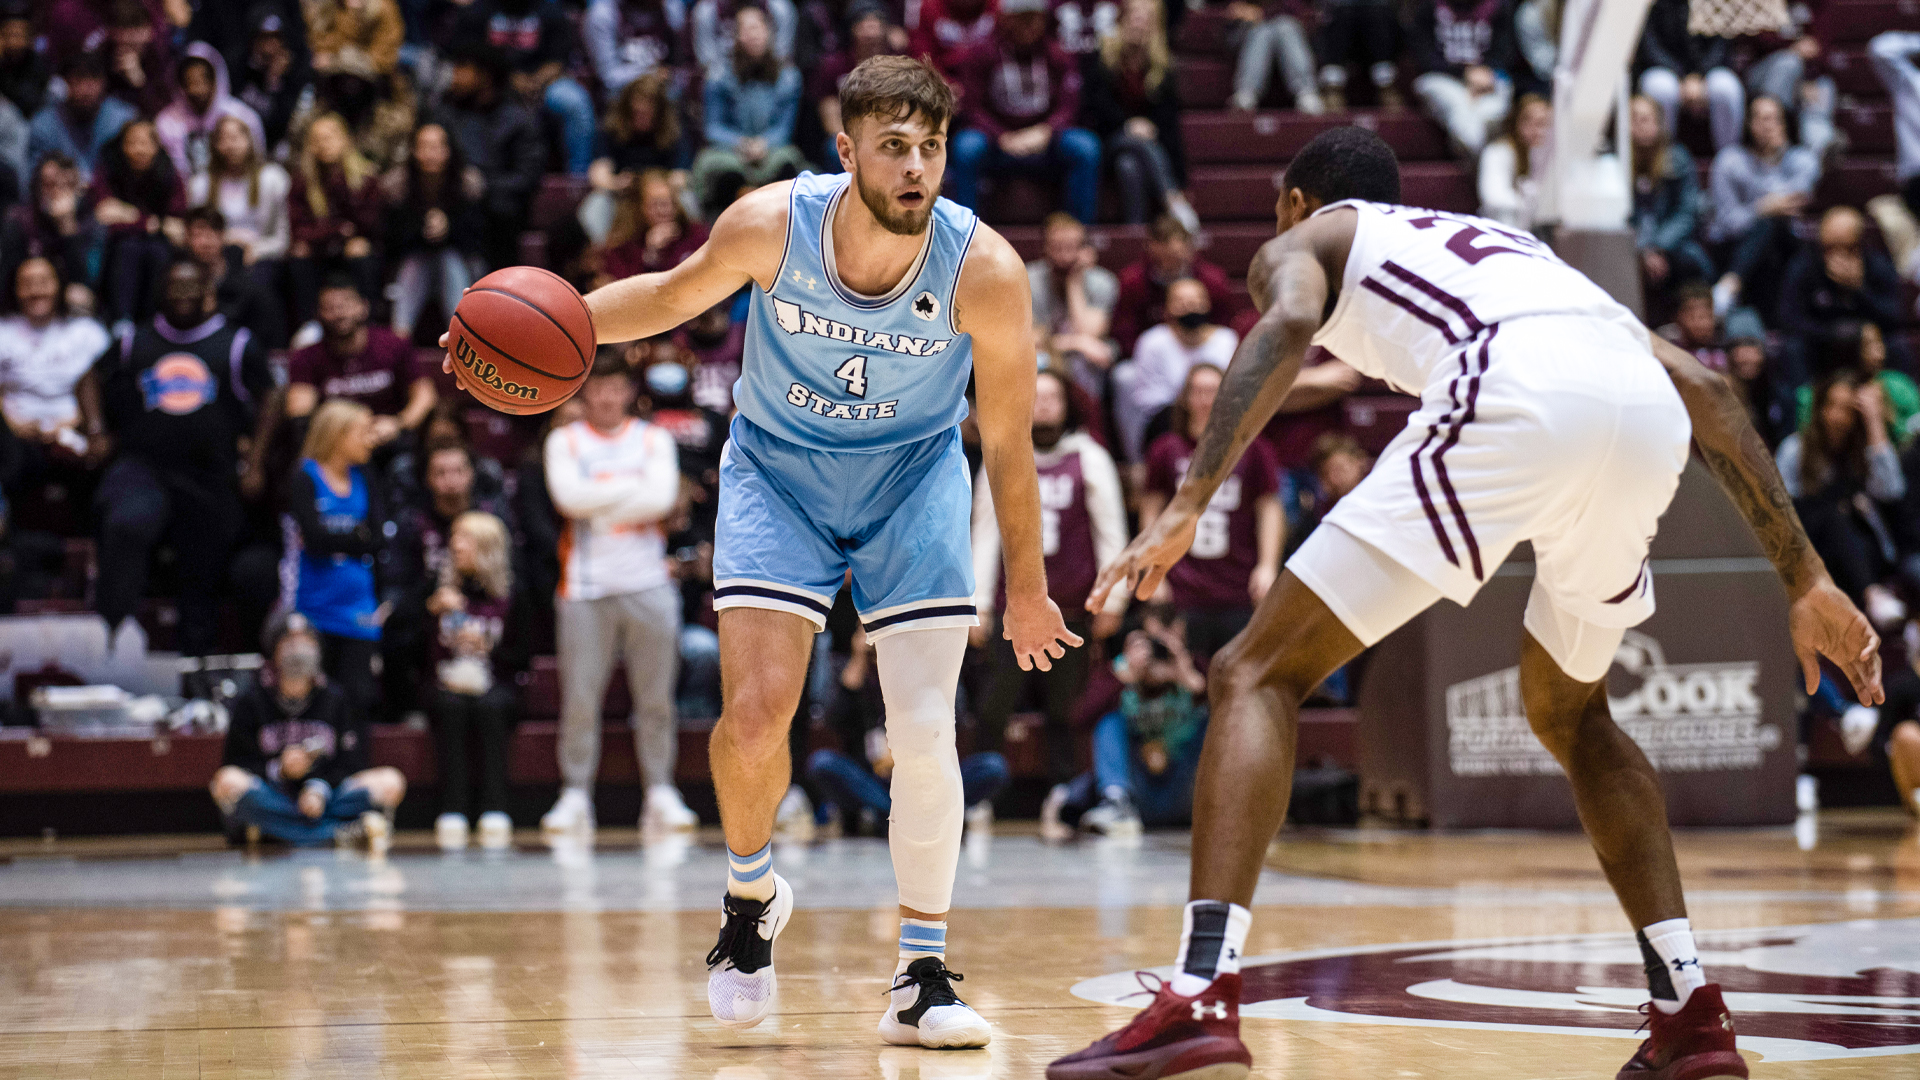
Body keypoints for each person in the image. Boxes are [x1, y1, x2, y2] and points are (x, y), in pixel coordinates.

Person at [1049, 125, 1882, 1080]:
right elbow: (1710, 392)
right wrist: (1807, 579)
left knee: (1254, 672)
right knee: (1573, 711)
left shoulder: (1309, 237)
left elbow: (1281, 328)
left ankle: (1199, 994)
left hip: (1513, 385)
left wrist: (1191, 501)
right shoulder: (1515, 250)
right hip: (1640, 412)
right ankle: (1690, 1010)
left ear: (1292, 202)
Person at [438, 54, 1080, 1045]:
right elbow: (664, 296)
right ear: (847, 150)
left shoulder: (985, 272)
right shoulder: (772, 223)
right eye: (894, 147)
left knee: (920, 732)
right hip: (777, 476)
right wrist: (514, 337)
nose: (916, 168)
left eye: (932, 148)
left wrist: (1029, 589)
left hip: (912, 484)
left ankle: (920, 974)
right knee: (752, 718)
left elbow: (1007, 441)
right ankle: (750, 904)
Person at [538, 352, 695, 836]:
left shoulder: (653, 439)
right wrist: (631, 494)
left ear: (629, 392)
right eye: (596, 388)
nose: (605, 397)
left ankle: (661, 791)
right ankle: (575, 794)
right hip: (585, 586)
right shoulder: (564, 441)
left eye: (614, 388)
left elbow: (663, 497)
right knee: (580, 699)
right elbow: (567, 500)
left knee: (656, 699)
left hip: (649, 583)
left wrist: (598, 502)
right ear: (584, 393)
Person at [88, 257, 275, 657]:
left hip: (209, 475)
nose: (183, 295)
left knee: (202, 572)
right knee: (127, 522)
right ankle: (110, 631)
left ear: (208, 293)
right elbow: (89, 377)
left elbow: (272, 397)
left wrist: (255, 462)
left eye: (192, 287)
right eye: (175, 287)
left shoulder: (237, 343)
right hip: (144, 466)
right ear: (161, 292)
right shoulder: (132, 341)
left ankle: (196, 671)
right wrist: (96, 430)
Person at [972, 368, 1127, 778]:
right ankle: (980, 797)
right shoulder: (1004, 454)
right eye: (1036, 395)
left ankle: (1065, 794)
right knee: (994, 707)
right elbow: (984, 534)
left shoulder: (1089, 457)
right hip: (1012, 611)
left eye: (1053, 397)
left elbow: (1110, 533)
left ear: (1067, 405)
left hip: (1072, 608)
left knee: (1067, 712)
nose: (1044, 404)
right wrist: (979, 605)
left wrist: (1114, 599)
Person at [211, 610, 404, 848]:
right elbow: (237, 762)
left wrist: (317, 788)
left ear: (318, 648)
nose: (298, 649)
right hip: (274, 795)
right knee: (227, 782)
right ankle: (336, 834)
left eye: (306, 640)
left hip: (327, 797)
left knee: (390, 782)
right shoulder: (251, 701)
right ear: (274, 649)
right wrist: (280, 770)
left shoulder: (337, 698)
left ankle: (278, 831)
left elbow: (353, 764)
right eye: (290, 640)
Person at [806, 625, 1011, 835]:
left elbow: (955, 713)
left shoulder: (925, 668)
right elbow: (832, 719)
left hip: (925, 782)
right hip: (873, 780)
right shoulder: (851, 672)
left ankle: (896, 816)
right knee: (822, 763)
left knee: (993, 766)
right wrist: (858, 660)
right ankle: (909, 817)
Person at [1141, 363, 1283, 661]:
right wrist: (1154, 571)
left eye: (1213, 392)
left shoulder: (1254, 449)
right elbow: (1151, 512)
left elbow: (1269, 509)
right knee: (1185, 684)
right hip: (1182, 587)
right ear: (1185, 399)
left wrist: (1268, 565)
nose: (1206, 399)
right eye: (1198, 391)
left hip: (1238, 585)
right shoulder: (1165, 449)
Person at [1041, 619, 1208, 837]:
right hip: (1136, 786)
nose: (1156, 653)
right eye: (1149, 645)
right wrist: (1121, 676)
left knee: (1212, 720)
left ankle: (1221, 807)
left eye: (1164, 644)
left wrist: (1190, 679)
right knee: (1109, 720)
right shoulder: (1119, 673)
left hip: (1184, 784)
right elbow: (1079, 720)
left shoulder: (1192, 667)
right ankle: (1115, 802)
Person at [424, 509, 531, 850]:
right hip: (444, 683)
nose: (455, 545)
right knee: (450, 705)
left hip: (494, 682)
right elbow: (405, 648)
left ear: (487, 547)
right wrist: (427, 611)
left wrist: (489, 647)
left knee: (491, 705)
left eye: (464, 538)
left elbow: (524, 656)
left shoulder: (514, 594)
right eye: (453, 537)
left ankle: (495, 805)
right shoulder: (437, 589)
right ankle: (453, 806)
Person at [282, 398, 389, 720]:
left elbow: (378, 538)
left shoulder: (365, 476)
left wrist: (346, 540)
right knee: (313, 700)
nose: (371, 439)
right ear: (338, 435)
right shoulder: (305, 477)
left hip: (359, 609)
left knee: (358, 699)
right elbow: (313, 540)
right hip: (312, 606)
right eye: (363, 432)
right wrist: (357, 538)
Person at [946, 0, 1101, 224]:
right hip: (998, 141)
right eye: (1021, 17)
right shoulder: (982, 53)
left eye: (1034, 17)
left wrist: (1047, 130)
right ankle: (966, 232)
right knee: (966, 147)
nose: (1028, 25)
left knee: (1086, 147)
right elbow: (972, 107)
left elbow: (1069, 104)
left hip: (1045, 139)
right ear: (1005, 19)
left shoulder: (1057, 54)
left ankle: (1080, 230)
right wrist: (1001, 135)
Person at [1081, 0, 1197, 230]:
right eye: (1134, 17)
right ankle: (1171, 198)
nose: (1139, 24)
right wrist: (1128, 124)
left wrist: (1182, 177)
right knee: (1134, 140)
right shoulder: (1101, 58)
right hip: (1106, 141)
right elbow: (1094, 110)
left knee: (1129, 166)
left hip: (1145, 149)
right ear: (1122, 21)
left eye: (1146, 19)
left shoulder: (1162, 68)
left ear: (1155, 28)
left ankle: (1134, 229)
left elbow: (1169, 126)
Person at [285, 277, 436, 451]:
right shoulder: (305, 356)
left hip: (389, 438)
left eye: (345, 305)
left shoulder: (394, 344)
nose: (339, 314)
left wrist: (398, 423)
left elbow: (425, 396)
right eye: (330, 308)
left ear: (363, 307)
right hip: (335, 446)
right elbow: (299, 414)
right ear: (318, 314)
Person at [432, 42, 545, 273]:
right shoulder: (445, 112)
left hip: (497, 213)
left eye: (462, 69)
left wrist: (484, 185)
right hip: (453, 204)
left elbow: (527, 177)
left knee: (498, 212)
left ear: (485, 75)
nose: (454, 76)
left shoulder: (518, 119)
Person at [690, 5, 809, 219]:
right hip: (731, 151)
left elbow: (784, 128)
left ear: (769, 32)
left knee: (789, 164)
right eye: (746, 29)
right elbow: (713, 128)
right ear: (736, 36)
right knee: (718, 170)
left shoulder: (789, 77)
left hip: (771, 149)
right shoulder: (718, 76)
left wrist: (764, 144)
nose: (753, 35)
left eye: (758, 28)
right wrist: (742, 144)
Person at [1708, 95, 1820, 322]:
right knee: (1766, 224)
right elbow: (1726, 222)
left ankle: (1730, 286)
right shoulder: (1729, 161)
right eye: (1760, 119)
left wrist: (1774, 158)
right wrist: (1760, 209)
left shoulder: (1802, 160)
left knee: (1776, 227)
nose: (1767, 125)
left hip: (1785, 244)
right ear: (1748, 123)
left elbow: (1790, 206)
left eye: (1773, 119)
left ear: (1784, 124)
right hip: (1736, 243)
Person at [452, 0, 595, 176]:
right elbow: (469, 54)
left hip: (544, 83)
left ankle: (578, 180)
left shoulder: (549, 8)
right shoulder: (480, 9)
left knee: (574, 102)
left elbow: (559, 57)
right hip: (495, 81)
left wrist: (537, 80)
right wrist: (510, 78)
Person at [1113, 278, 1238, 461]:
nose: (1189, 308)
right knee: (1124, 378)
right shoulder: (1152, 342)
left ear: (1207, 304)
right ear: (1167, 308)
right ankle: (1140, 464)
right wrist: (1190, 405)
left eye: (1195, 302)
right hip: (1167, 420)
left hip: (1218, 414)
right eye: (1181, 302)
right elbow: (1149, 399)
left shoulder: (1227, 340)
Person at [1780, 206, 1906, 385]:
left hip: (1867, 338)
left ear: (1859, 244)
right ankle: (1802, 409)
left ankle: (1903, 407)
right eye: (1829, 248)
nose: (1837, 257)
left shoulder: (1876, 265)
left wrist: (1858, 290)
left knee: (1898, 345)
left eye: (1847, 247)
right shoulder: (1805, 266)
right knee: (1793, 349)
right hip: (1821, 339)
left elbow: (1894, 317)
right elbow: (1789, 319)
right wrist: (1831, 333)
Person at [0, 257, 111, 457]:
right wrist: (11, 425)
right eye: (27, 284)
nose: (36, 292)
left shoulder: (86, 332)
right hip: (13, 438)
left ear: (59, 285)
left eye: (43, 282)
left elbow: (104, 389)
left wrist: (76, 422)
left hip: (75, 433)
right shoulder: (3, 332)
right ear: (14, 289)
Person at [383, 123, 483, 341]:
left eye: (437, 147)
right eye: (424, 146)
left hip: (458, 261)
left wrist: (449, 227)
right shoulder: (397, 186)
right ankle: (399, 341)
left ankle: (462, 342)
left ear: (449, 151)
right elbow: (390, 241)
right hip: (413, 261)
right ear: (413, 150)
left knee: (450, 262)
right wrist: (422, 228)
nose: (430, 154)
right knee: (413, 266)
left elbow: (479, 240)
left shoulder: (468, 184)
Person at [188, 115, 291, 322]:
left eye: (236, 138)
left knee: (257, 281)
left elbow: (284, 238)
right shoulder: (201, 184)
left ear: (250, 140)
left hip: (260, 254)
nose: (230, 145)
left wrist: (256, 248)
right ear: (214, 145)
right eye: (223, 139)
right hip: (215, 254)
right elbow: (195, 232)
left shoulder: (272, 178)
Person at [288, 113, 383, 334]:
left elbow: (370, 225)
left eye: (330, 137)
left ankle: (367, 322)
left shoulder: (366, 178)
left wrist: (340, 184)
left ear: (344, 140)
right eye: (317, 139)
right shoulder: (302, 181)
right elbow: (299, 230)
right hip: (320, 250)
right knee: (300, 251)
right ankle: (309, 326)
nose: (324, 144)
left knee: (359, 248)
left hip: (349, 249)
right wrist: (338, 230)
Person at [93, 119, 186, 329]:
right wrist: (150, 223)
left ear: (157, 146)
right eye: (132, 142)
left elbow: (178, 227)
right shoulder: (109, 168)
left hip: (159, 246)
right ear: (122, 146)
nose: (139, 149)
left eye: (146, 143)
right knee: (129, 247)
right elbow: (105, 214)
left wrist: (130, 216)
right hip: (115, 248)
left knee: (157, 252)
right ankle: (121, 323)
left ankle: (156, 323)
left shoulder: (169, 173)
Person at [582, 74, 691, 244]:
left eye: (648, 110)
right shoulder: (612, 130)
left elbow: (681, 176)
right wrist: (616, 184)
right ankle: (600, 259)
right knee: (596, 205)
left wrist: (657, 186)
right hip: (623, 195)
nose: (642, 114)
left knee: (688, 201)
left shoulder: (673, 132)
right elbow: (598, 172)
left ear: (659, 111)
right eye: (637, 111)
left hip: (661, 195)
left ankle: (688, 254)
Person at [1110, 214, 1238, 358]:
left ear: (1189, 248)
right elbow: (1124, 329)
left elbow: (1223, 323)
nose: (1171, 263)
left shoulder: (1213, 281)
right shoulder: (1132, 281)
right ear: (1152, 248)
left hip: (1202, 349)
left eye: (1177, 256)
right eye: (1166, 257)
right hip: (1150, 352)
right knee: (1123, 375)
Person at [1629, 94, 1712, 301]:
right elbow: (1618, 217)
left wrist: (1657, 247)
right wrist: (1643, 250)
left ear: (1659, 123)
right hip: (1630, 244)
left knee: (1693, 258)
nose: (1639, 125)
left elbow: (1686, 213)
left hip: (1669, 244)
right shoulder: (1616, 163)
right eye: (1633, 118)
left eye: (1645, 119)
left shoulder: (1678, 159)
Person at [1409, 0, 1519, 156]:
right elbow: (1422, 55)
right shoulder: (1429, 6)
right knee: (1459, 106)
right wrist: (1465, 73)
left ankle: (1474, 155)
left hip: (1487, 77)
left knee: (1490, 109)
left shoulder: (1499, 7)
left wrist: (1487, 71)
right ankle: (1479, 157)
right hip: (1442, 77)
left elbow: (1505, 51)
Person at [1636, 0, 1744, 152]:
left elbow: (1721, 44)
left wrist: (1699, 75)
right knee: (1660, 88)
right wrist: (1681, 76)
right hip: (1666, 70)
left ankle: (1728, 158)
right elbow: (1650, 45)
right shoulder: (1654, 4)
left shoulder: (1716, 3)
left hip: (1709, 71)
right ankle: (1662, 158)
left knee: (1727, 88)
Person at [2, 156, 104, 312]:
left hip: (64, 305)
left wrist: (67, 227)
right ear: (37, 187)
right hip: (24, 299)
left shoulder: (91, 222)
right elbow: (8, 278)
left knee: (78, 296)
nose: (57, 193)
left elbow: (87, 282)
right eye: (50, 185)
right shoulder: (19, 219)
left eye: (66, 186)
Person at [156, 42, 268, 179]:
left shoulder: (243, 117)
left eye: (203, 80)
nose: (197, 89)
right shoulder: (166, 121)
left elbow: (257, 163)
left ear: (216, 79)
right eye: (190, 82)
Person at [1029, 212, 1118, 382]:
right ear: (1045, 248)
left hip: (1084, 357)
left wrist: (1074, 282)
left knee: (1091, 359)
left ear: (1085, 250)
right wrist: (1078, 343)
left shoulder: (1103, 282)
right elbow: (1033, 341)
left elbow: (1089, 334)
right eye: (1057, 248)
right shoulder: (1028, 280)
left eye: (1071, 247)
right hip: (1042, 355)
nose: (1064, 257)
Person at [27, 53, 140, 184]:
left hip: (114, 199)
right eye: (78, 79)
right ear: (65, 82)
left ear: (104, 82)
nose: (86, 90)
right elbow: (34, 182)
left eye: (93, 79)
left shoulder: (124, 120)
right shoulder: (43, 125)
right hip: (61, 197)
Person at [813, 0, 900, 169]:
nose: (870, 33)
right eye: (863, 25)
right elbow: (829, 111)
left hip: (891, 132)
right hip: (849, 133)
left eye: (875, 25)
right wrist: (853, 140)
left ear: (886, 29)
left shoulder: (899, 63)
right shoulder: (835, 66)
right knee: (834, 148)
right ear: (851, 29)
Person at [596, 168, 709, 285]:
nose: (665, 211)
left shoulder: (694, 234)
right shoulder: (622, 246)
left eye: (670, 203)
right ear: (640, 207)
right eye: (656, 204)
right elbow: (623, 292)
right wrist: (650, 257)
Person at [183, 207, 279, 342]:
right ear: (187, 238)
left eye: (212, 234)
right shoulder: (178, 277)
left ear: (223, 237)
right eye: (198, 235)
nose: (206, 243)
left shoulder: (246, 280)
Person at [231, 5, 312, 156]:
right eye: (264, 38)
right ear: (254, 39)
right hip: (240, 147)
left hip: (278, 147)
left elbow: (285, 126)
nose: (270, 46)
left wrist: (274, 82)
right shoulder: (238, 68)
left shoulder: (295, 73)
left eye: (276, 37)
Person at [1224, 0, 1319, 113]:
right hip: (1250, 34)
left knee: (1285, 26)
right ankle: (1246, 94)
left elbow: (1295, 10)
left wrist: (1261, 13)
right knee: (1262, 31)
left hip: (1288, 30)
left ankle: (1306, 93)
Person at [1477, 93, 1549, 232]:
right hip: (1500, 229)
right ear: (1518, 123)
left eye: (1547, 125)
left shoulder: (1547, 154)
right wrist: (1533, 203)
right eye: (1537, 123)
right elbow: (1494, 198)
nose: (1541, 131)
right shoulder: (1497, 151)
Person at [584, 0, 688, 96]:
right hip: (620, 98)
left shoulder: (671, 9)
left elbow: (679, 70)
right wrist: (654, 75)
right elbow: (609, 77)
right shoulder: (603, 14)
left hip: (666, 95)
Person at [908, 0, 995, 76]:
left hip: (983, 77)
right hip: (943, 75)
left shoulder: (993, 6)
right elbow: (922, 55)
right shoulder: (930, 7)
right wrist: (943, 81)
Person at [0, 3, 49, 122]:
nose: (14, 41)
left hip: (31, 119)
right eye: (10, 34)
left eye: (19, 35)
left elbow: (30, 101)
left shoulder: (37, 64)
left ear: (30, 38)